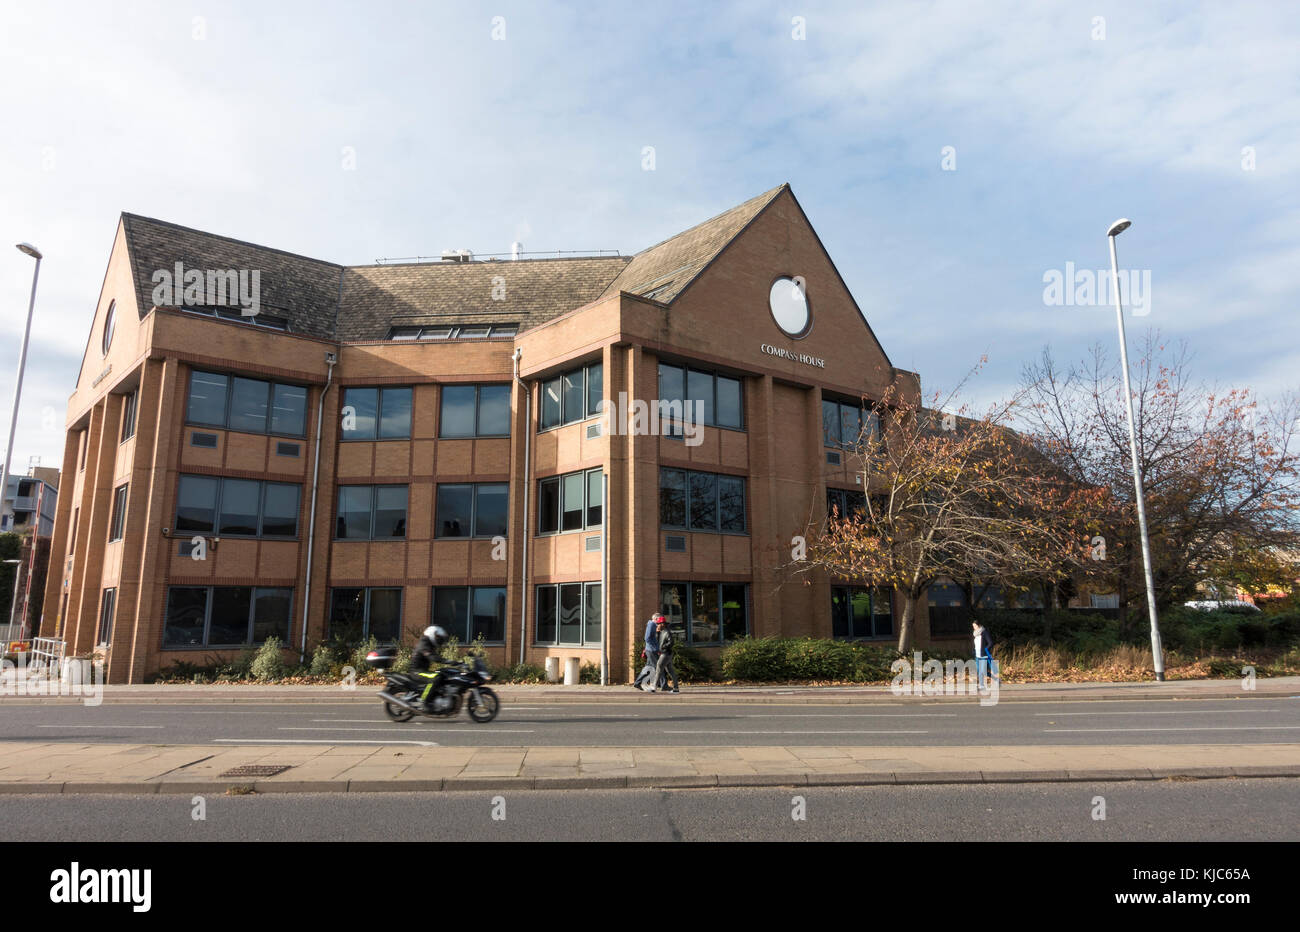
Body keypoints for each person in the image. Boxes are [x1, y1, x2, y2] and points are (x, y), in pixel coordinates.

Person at [410, 625, 451, 710]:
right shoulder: (424, 644)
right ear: (432, 634)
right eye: (438, 638)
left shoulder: (429, 644)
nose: (440, 640)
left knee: (442, 675)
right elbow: (432, 657)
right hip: (417, 672)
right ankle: (424, 701)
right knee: (436, 678)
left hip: (422, 670)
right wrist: (447, 661)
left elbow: (434, 656)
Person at [650, 615, 680, 693]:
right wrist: (657, 632)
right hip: (666, 654)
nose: (657, 625)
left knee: (658, 668)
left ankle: (654, 687)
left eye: (659, 623)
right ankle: (676, 688)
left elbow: (671, 642)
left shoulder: (667, 632)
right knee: (670, 671)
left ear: (663, 624)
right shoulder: (661, 632)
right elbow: (657, 641)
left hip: (665, 653)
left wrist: (663, 647)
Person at [632, 613, 662, 689]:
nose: (660, 622)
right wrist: (654, 646)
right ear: (656, 619)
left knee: (648, 667)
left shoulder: (653, 625)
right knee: (658, 667)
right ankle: (662, 684)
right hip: (651, 650)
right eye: (659, 620)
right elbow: (647, 638)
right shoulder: (651, 625)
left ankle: (637, 683)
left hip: (650, 649)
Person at [972, 620, 998, 690]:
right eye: (973, 626)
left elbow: (990, 643)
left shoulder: (984, 632)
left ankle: (981, 686)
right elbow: (976, 644)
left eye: (975, 626)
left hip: (983, 655)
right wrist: (974, 651)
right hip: (977, 655)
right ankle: (995, 679)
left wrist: (985, 649)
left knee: (982, 671)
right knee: (980, 670)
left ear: (979, 625)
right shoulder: (975, 634)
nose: (974, 627)